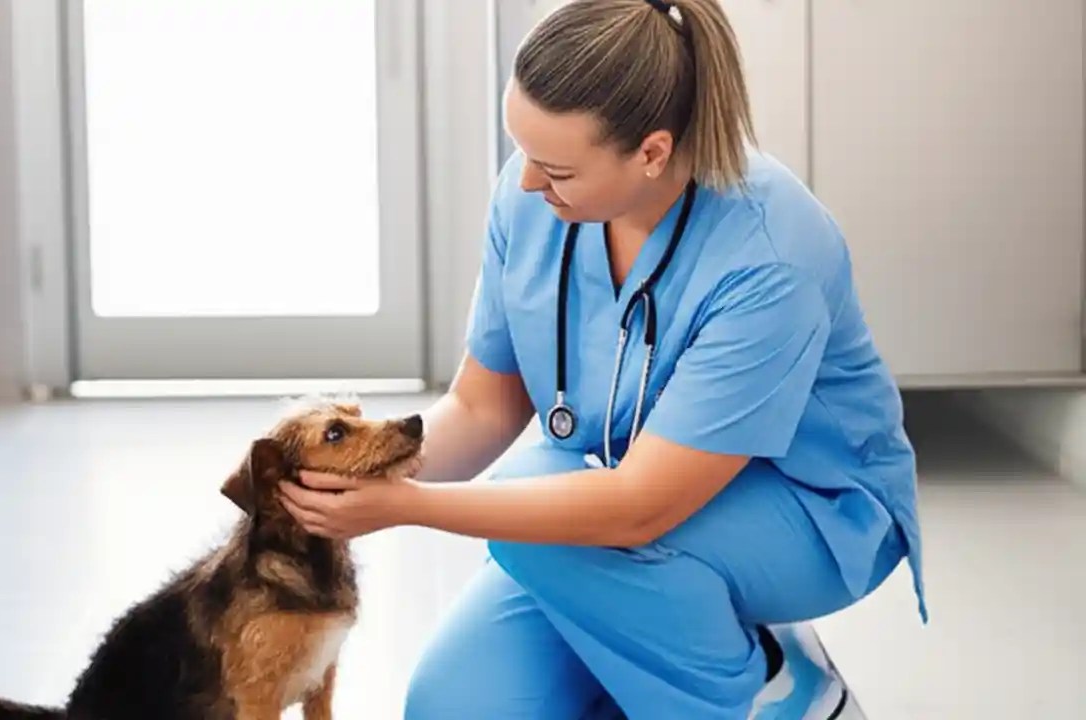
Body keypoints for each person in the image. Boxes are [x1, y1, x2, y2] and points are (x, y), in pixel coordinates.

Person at [279, 0, 926, 717]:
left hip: (807, 512)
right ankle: (678, 634)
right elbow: (483, 405)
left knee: (530, 495)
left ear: (651, 151)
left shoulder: (771, 251)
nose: (526, 183)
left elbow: (638, 508)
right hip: (620, 492)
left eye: (554, 168)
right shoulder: (534, 199)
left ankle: (778, 688)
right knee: (453, 706)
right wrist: (353, 478)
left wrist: (407, 506)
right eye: (521, 151)